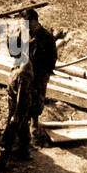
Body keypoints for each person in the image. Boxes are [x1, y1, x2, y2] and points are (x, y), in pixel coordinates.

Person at [0, 46, 35, 173]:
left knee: (9, 132)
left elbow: (22, 96)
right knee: (22, 126)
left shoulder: (23, 70)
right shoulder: (20, 61)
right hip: (16, 103)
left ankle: (0, 162)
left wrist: (16, 115)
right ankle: (24, 151)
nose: (9, 50)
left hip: (19, 106)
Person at [26, 9, 59, 146]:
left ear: (34, 21)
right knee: (26, 97)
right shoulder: (25, 34)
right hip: (27, 72)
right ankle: (26, 124)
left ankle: (34, 125)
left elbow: (53, 57)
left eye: (27, 23)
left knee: (38, 99)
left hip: (40, 74)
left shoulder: (46, 37)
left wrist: (45, 72)